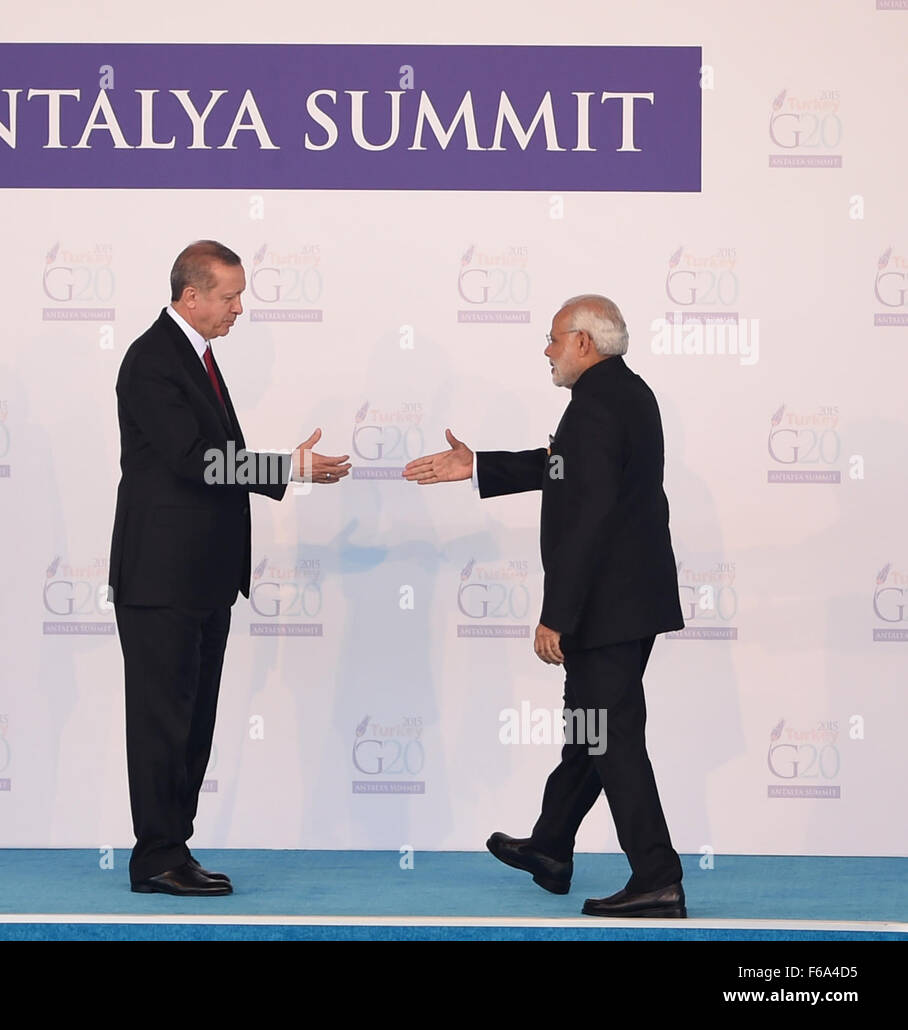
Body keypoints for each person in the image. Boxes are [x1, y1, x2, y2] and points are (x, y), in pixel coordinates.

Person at [403, 294, 687, 917]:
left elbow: (586, 519)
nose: (548, 350)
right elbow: (566, 469)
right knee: (592, 730)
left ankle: (658, 878)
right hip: (628, 602)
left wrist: (556, 614)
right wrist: (478, 465)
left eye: (555, 339)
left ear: (585, 342)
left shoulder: (593, 407)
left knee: (609, 738)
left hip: (605, 607)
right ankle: (552, 845)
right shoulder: (624, 394)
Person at [108, 239, 350, 896]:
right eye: (229, 296)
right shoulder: (153, 361)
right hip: (161, 579)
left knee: (191, 720)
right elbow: (198, 461)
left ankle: (173, 849)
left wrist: (284, 470)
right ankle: (156, 856)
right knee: (163, 722)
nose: (239, 308)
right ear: (191, 296)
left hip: (202, 578)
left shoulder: (196, 358)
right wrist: (289, 469)